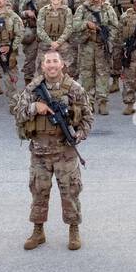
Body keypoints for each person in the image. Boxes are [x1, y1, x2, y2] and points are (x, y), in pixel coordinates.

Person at [14, 49, 93, 252]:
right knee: (39, 191)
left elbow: (87, 117)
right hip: (39, 151)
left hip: (65, 151)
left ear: (62, 64)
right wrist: (35, 108)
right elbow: (18, 113)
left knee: (70, 192)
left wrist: (79, 134)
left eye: (55, 61)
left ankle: (74, 229)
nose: (51, 65)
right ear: (42, 65)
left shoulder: (73, 88)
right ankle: (38, 231)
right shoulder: (33, 89)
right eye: (47, 62)